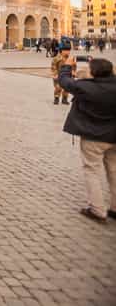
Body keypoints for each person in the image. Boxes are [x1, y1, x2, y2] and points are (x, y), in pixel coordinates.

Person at [58, 57, 116, 222]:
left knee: (92, 170)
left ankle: (98, 210)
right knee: (114, 171)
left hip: (94, 137)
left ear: (94, 72)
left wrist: (67, 65)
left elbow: (64, 81)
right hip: (114, 137)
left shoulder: (86, 87)